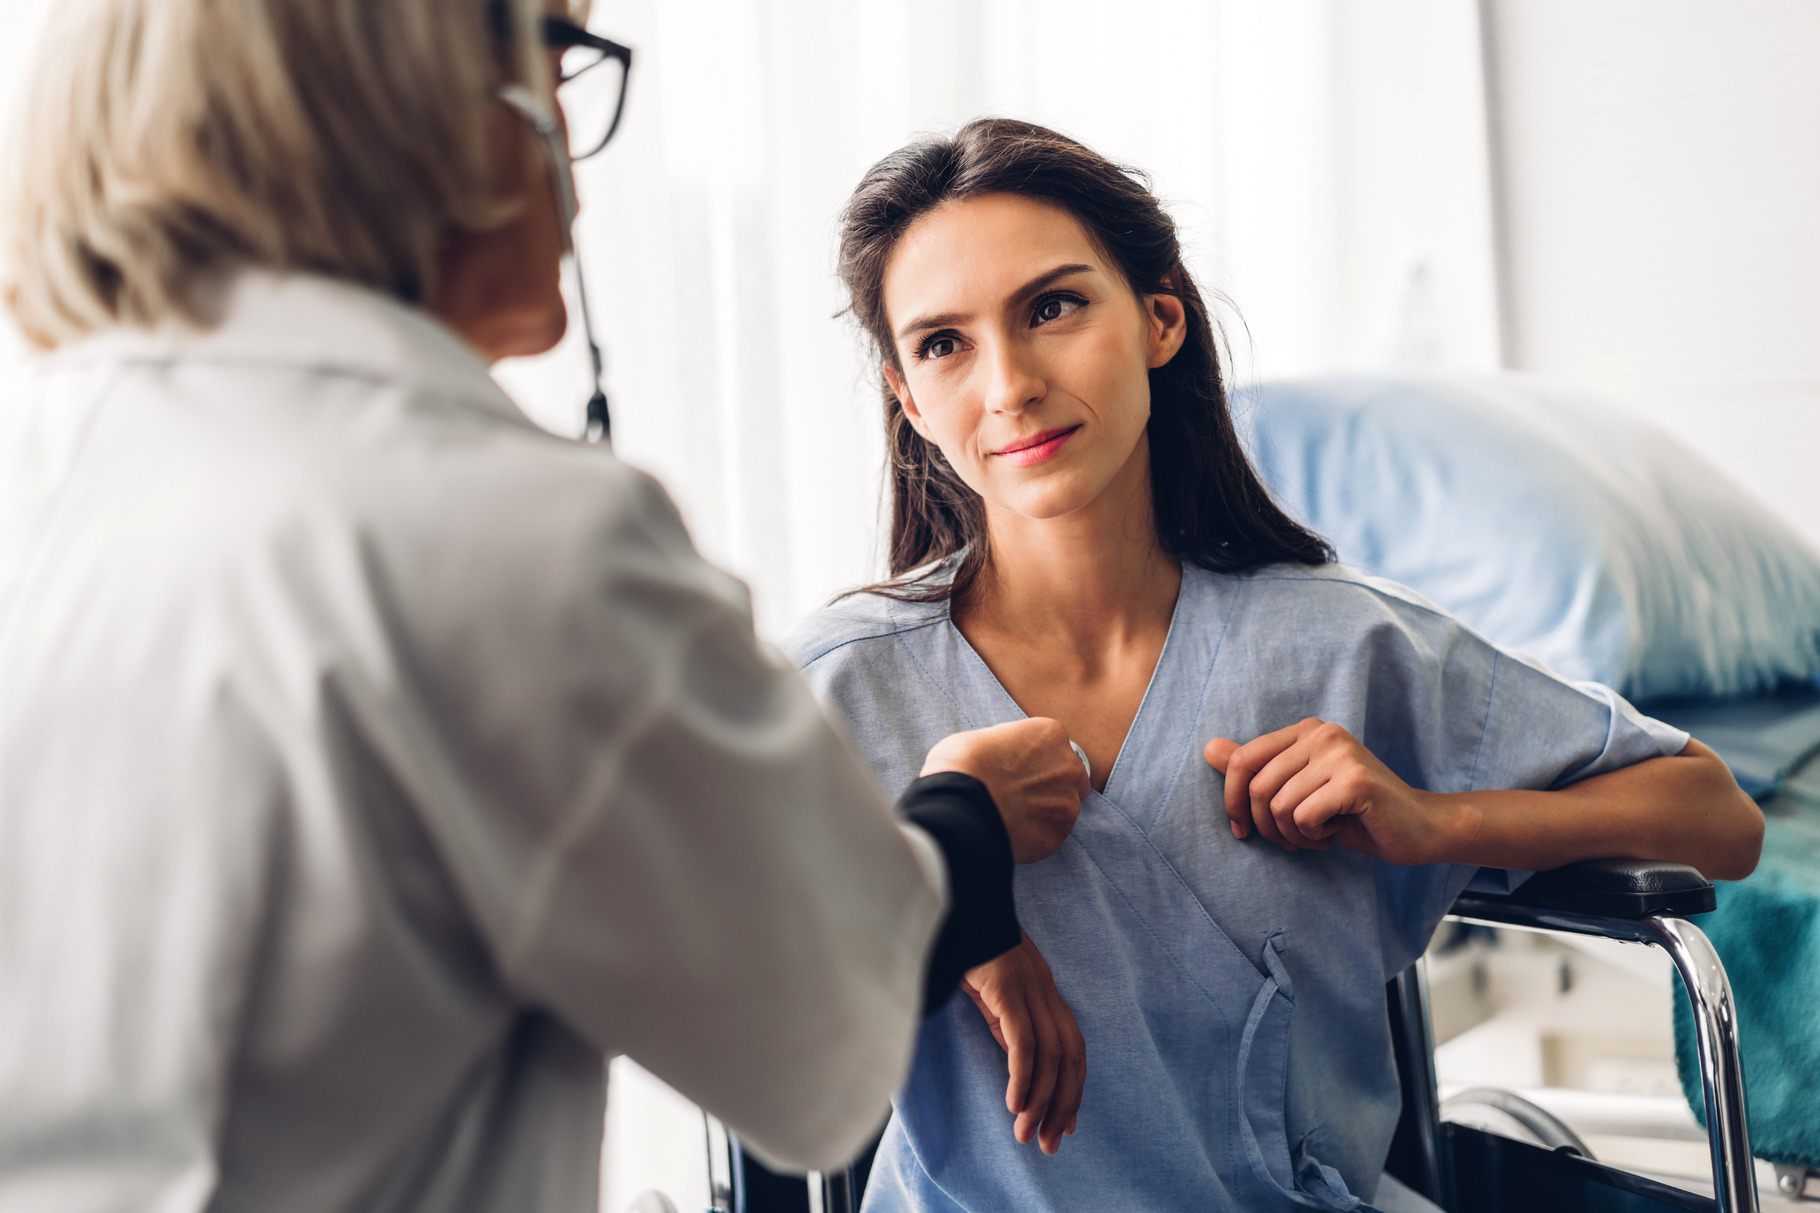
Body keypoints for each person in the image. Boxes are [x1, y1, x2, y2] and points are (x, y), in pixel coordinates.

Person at [0, 5, 1091, 1211]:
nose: (571, 136)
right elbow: (820, 1051)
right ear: (448, 103)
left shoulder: (51, 466)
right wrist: (964, 821)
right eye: (559, 62)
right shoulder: (497, 531)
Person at [782, 118, 1766, 1212]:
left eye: (1051, 307)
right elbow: (738, 1016)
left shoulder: (1340, 643)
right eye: (942, 343)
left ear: (1158, 320)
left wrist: (1435, 824)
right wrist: (945, 865)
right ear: (908, 401)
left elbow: (1715, 816)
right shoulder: (842, 688)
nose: (1007, 382)